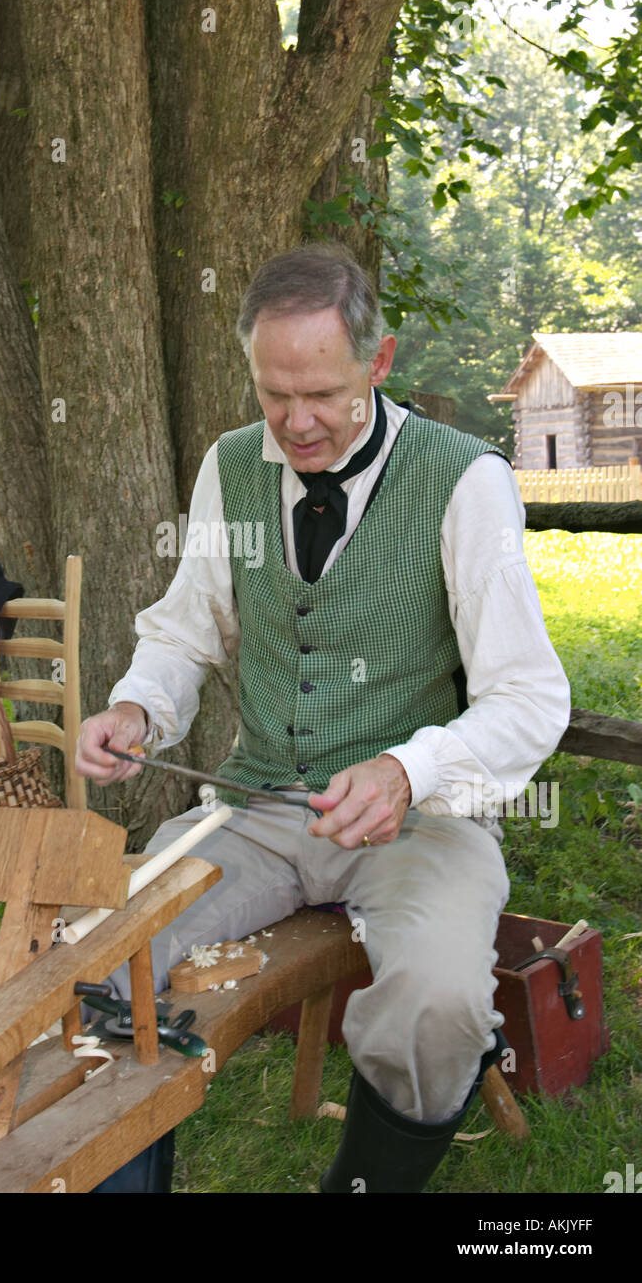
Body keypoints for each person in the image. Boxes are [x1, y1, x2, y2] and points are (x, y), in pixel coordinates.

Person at [76, 242, 571, 1193]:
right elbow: (187, 629)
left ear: (377, 363)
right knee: (101, 952)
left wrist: (406, 773)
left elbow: (527, 697)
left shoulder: (463, 479)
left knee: (438, 1004)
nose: (296, 423)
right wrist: (138, 706)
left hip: (419, 823)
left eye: (322, 394)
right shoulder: (230, 467)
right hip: (254, 808)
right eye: (274, 395)